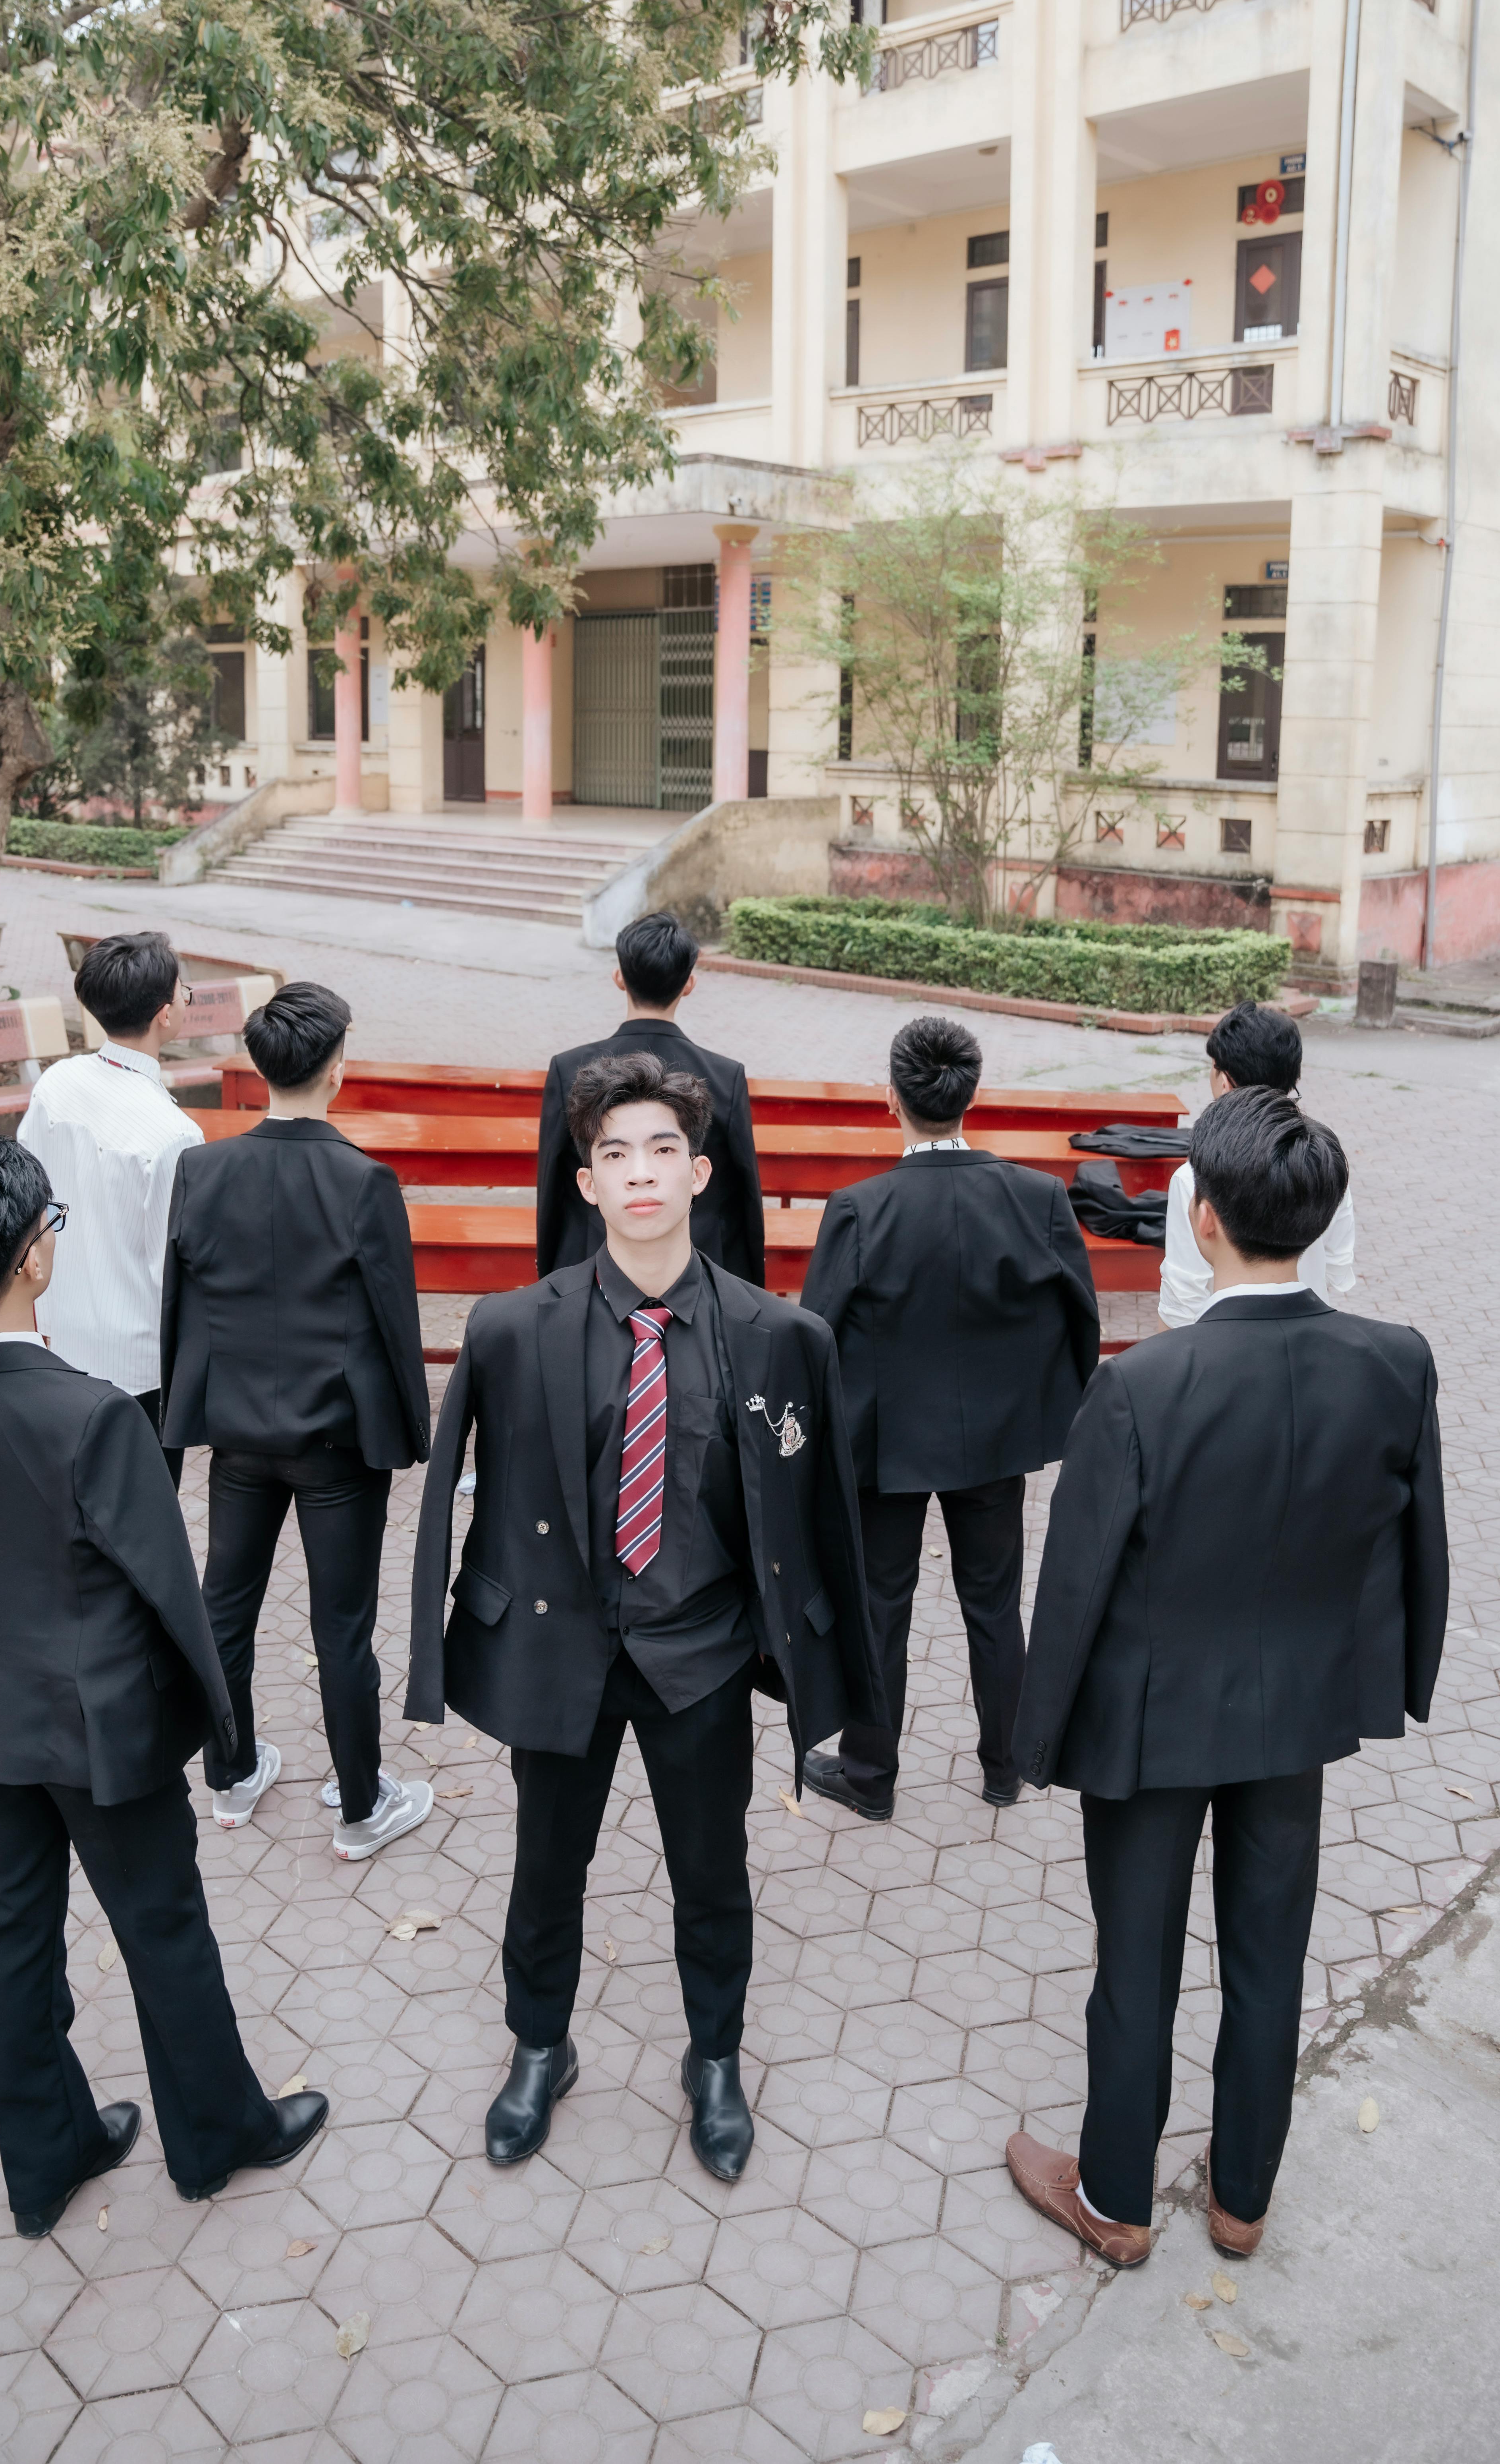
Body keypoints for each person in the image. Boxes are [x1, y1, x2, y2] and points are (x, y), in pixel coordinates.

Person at [0, 1134, 327, 2238]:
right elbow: (171, 1595)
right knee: (161, 1925)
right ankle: (217, 2134)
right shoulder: (93, 1413)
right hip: (103, 1731)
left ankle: (45, 2156)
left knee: (10, 1930)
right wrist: (214, 1729)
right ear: (32, 1256)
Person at [407, 1053, 881, 2180]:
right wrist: (454, 1642)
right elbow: (447, 1507)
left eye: (661, 1149)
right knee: (544, 1867)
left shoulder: (775, 1335)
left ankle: (712, 2057)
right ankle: (539, 2044)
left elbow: (816, 1514)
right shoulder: (512, 1329)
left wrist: (823, 1660)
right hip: (560, 1650)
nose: (638, 1172)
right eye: (613, 1153)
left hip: (701, 1654)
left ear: (700, 1171)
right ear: (584, 1182)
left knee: (711, 1870)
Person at [1004, 1085, 1446, 2269]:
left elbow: (1073, 1583)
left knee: (1134, 1963)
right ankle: (1241, 2196)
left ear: (1195, 1217)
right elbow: (1416, 1541)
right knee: (1267, 1953)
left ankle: (1113, 2197)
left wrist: (1032, 1742)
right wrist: (1396, 1678)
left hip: (1149, 1727)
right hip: (1296, 1712)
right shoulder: (1392, 1361)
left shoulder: (1142, 1385)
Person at [799, 1013, 1099, 1820]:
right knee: (994, 1602)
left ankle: (870, 1774)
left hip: (886, 1441)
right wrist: (1048, 1411)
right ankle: (1008, 1764)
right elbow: (1080, 1314)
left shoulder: (861, 1208)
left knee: (880, 1606)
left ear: (891, 1098)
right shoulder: (1036, 1196)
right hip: (997, 1438)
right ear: (973, 1094)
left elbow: (815, 1331)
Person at [160, 980, 435, 1856]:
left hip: (236, 1432)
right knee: (342, 1623)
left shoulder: (202, 1167)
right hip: (335, 1441)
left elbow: (185, 1303)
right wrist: (411, 1437)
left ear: (260, 1064)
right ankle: (360, 1803)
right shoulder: (363, 1180)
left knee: (224, 1606)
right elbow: (396, 1323)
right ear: (337, 1066)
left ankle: (231, 1771)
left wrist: (186, 1408)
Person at [17, 929, 201, 1473]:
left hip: (57, 1334)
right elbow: (173, 1266)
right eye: (183, 989)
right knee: (141, 1520)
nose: (188, 996)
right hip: (138, 1362)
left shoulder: (57, 1084)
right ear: (165, 1014)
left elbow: (32, 1201)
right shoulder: (174, 1133)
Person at [535, 913, 766, 1285]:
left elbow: (551, 1189)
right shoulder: (726, 1076)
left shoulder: (568, 1069)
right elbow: (745, 1198)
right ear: (689, 984)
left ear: (619, 978)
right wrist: (751, 1287)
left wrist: (548, 1277)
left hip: (589, 1265)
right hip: (701, 1266)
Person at [1159, 999, 1355, 1326]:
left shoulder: (1195, 1178)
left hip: (1220, 1352)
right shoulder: (1321, 1159)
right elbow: (1337, 1268)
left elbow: (1181, 1302)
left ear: (1225, 1081)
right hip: (1313, 1339)